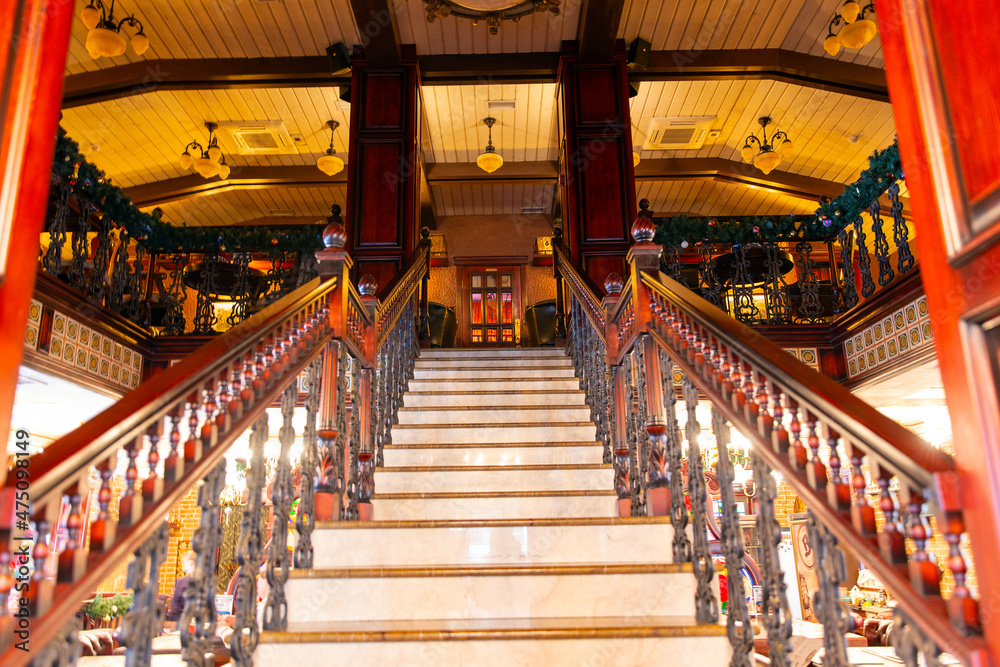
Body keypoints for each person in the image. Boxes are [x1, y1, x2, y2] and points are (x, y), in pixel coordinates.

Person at [164, 551, 195, 629]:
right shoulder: (207, 582)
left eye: (183, 562)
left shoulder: (183, 582)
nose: (183, 566)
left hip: (183, 626)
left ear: (190, 562)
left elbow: (175, 611)